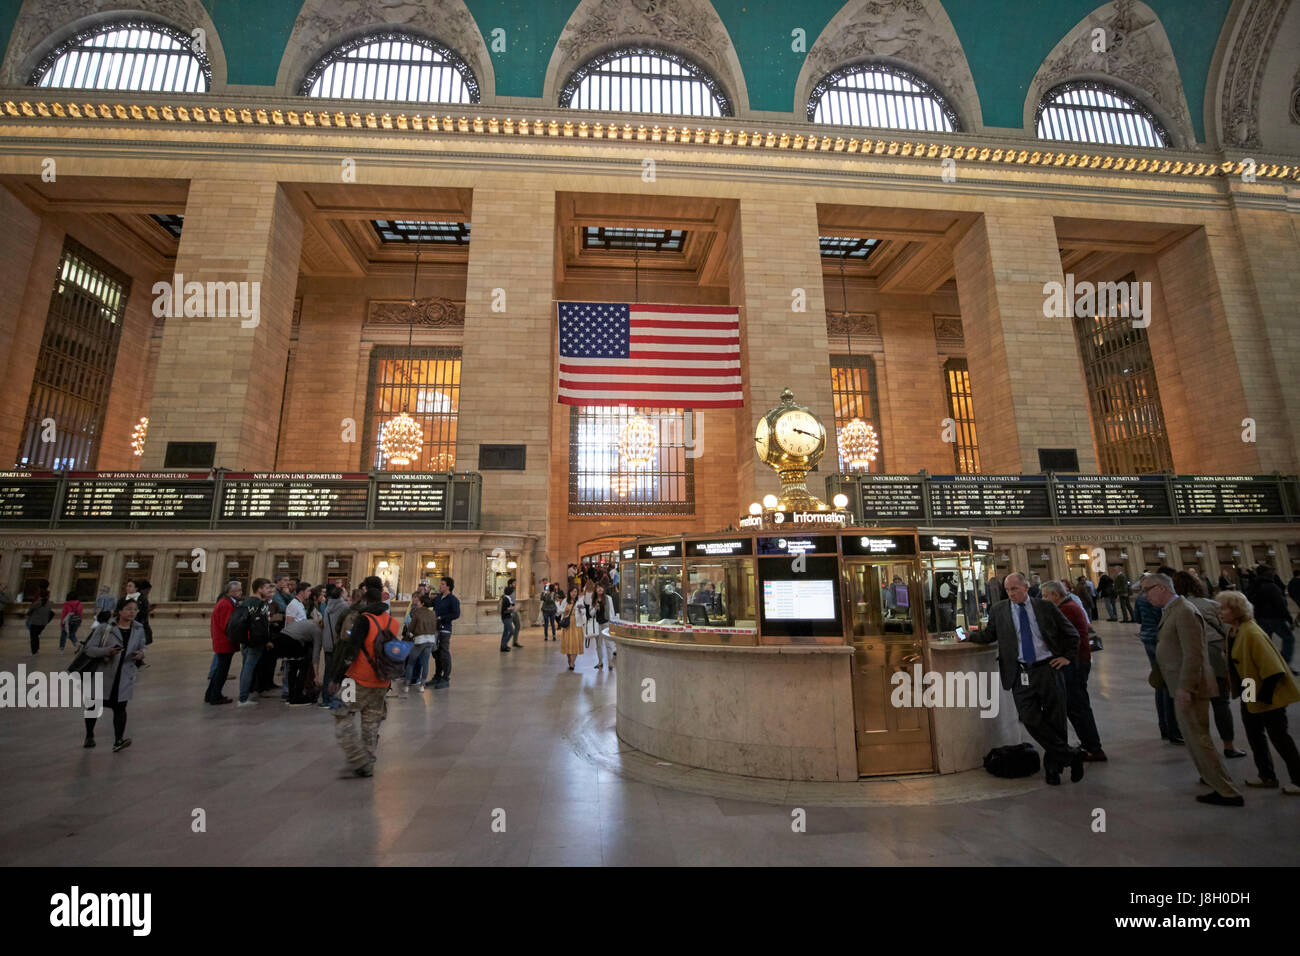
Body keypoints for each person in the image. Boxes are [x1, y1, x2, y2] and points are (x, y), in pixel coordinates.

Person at [967, 572, 1082, 786]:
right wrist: (967, 635)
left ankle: (1053, 769)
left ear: (1026, 588)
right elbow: (988, 635)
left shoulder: (1045, 607)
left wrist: (1066, 657)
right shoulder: (999, 610)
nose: (1011, 593)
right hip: (1019, 673)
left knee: (1056, 720)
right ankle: (1071, 755)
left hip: (1047, 669)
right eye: (1008, 589)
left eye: (1015, 589)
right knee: (1029, 717)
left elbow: (1071, 633)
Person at [1142, 572, 1244, 806]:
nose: (1144, 595)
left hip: (1190, 686)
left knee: (1199, 739)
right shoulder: (1172, 609)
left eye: (1147, 589)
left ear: (1161, 588)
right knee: (1195, 738)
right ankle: (1215, 780)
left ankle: (1227, 791)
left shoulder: (1184, 611)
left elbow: (1194, 653)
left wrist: (1186, 688)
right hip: (1180, 683)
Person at [1218, 589, 1300, 794]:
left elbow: (1274, 670)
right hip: (1250, 687)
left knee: (1279, 736)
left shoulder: (1252, 632)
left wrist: (1263, 698)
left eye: (1224, 608)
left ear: (1236, 610)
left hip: (1266, 690)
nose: (1220, 612)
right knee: (1254, 734)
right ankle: (1266, 775)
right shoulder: (1233, 631)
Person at [1172, 571, 1246, 760]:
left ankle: (1204, 750)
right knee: (1221, 702)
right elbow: (1230, 632)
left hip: (1189, 660)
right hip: (1214, 656)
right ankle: (1229, 745)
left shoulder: (1175, 609)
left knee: (1197, 708)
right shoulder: (1212, 605)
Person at [327, 576, 396, 778]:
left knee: (341, 716)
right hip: (382, 680)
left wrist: (337, 678)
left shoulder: (363, 620)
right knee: (371, 723)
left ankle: (358, 759)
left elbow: (351, 651)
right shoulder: (392, 622)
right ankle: (368, 761)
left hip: (355, 679)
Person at [1041, 581, 1105, 762]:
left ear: (1055, 595)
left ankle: (1093, 747)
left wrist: (1066, 657)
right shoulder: (1068, 606)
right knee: (1076, 705)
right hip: (1077, 660)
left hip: (1075, 662)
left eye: (1046, 596)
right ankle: (1088, 743)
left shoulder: (1067, 609)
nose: (1044, 599)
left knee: (1077, 706)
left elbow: (1066, 636)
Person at [81, 598, 148, 751]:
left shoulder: (138, 629)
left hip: (124, 674)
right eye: (129, 609)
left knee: (120, 707)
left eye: (135, 609)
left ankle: (118, 740)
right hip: (104, 672)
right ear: (120, 611)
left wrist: (141, 654)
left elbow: (143, 647)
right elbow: (89, 649)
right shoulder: (105, 628)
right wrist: (107, 651)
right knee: (93, 706)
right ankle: (89, 735)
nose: (132, 612)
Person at [1137, 566, 1181, 744]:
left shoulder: (1140, 598)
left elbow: (1137, 617)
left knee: (1159, 682)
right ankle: (1173, 728)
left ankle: (1164, 726)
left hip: (1147, 637)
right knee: (1168, 682)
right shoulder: (1160, 600)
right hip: (1158, 639)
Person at [234, 578, 275, 706]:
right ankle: (243, 698)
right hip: (255, 641)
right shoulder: (260, 604)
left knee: (246, 667)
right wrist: (266, 640)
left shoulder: (246, 602)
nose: (269, 591)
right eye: (267, 588)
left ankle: (243, 695)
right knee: (249, 668)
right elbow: (261, 625)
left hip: (245, 639)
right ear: (259, 589)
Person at [1248, 565, 1295, 670]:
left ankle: (1268, 665)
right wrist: (1289, 618)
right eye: (1271, 570)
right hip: (1274, 618)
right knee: (1289, 639)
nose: (1273, 572)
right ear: (1266, 573)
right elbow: (1280, 604)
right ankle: (1284, 663)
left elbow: (1249, 600)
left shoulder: (1254, 585)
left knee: (1266, 642)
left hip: (1260, 617)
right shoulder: (1271, 586)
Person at [205, 580, 242, 705]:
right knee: (222, 671)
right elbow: (228, 625)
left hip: (223, 640)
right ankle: (215, 696)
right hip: (225, 641)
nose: (241, 592)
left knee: (219, 670)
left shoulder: (227, 602)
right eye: (239, 590)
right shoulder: (226, 604)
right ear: (231, 591)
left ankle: (210, 694)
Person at [317, 585, 351, 708]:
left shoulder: (327, 606)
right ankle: (335, 699)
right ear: (341, 594)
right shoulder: (344, 607)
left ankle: (326, 698)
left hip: (327, 643)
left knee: (328, 671)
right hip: (338, 644)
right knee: (339, 672)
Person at [428, 576, 460, 689]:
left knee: (444, 652)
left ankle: (445, 677)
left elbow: (456, 614)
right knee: (436, 653)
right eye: (441, 584)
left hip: (445, 629)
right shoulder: (438, 598)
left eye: (442, 584)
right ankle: (437, 676)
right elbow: (428, 604)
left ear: (448, 587)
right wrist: (427, 592)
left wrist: (442, 617)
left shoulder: (453, 600)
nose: (440, 586)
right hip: (435, 629)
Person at [403, 593, 439, 693]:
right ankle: (422, 685)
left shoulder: (417, 612)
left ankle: (406, 685)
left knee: (411, 662)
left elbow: (411, 627)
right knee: (425, 663)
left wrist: (410, 633)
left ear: (422, 603)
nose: (417, 603)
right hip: (430, 640)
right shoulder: (433, 613)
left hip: (420, 640)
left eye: (418, 601)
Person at [586, 584, 616, 670]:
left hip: (606, 623)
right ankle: (600, 662)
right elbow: (591, 614)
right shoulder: (593, 599)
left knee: (608, 644)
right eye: (598, 587)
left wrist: (613, 622)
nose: (600, 589)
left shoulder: (608, 598)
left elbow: (612, 611)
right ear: (595, 590)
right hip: (597, 624)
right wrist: (595, 608)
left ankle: (610, 663)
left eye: (601, 587)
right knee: (598, 644)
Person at [559, 585, 583, 671]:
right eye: (572, 591)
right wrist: (564, 610)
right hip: (567, 625)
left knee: (575, 644)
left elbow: (584, 612)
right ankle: (569, 659)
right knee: (568, 644)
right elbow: (559, 611)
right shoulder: (565, 601)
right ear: (569, 592)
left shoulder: (580, 600)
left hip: (577, 625)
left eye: (575, 591)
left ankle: (572, 663)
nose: (574, 593)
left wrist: (581, 610)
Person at [25, 586, 53, 654]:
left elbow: (30, 610)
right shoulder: (50, 603)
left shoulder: (38, 602)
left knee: (33, 637)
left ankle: (34, 650)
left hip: (35, 622)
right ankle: (36, 649)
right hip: (43, 623)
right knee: (36, 636)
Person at [499, 579, 518, 652]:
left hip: (508, 617)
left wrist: (512, 607)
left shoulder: (508, 598)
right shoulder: (505, 599)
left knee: (506, 631)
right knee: (512, 631)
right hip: (506, 617)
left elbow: (512, 604)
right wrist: (511, 608)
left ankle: (503, 646)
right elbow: (505, 610)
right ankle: (504, 645)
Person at [133, 580, 153, 647]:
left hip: (140, 621)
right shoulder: (141, 597)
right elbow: (138, 610)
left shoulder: (138, 596)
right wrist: (148, 610)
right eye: (148, 590)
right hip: (140, 621)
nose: (149, 592)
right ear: (145, 589)